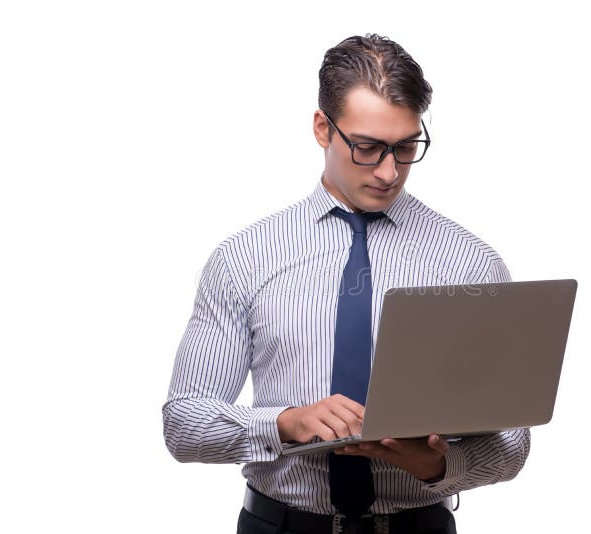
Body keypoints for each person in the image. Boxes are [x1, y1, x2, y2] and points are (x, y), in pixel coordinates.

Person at [162, 34, 531, 534]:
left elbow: (511, 444)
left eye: (405, 148)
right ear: (322, 128)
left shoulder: (469, 263)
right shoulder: (245, 257)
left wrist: (438, 467)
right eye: (367, 148)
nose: (388, 171)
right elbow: (184, 425)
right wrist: (283, 424)